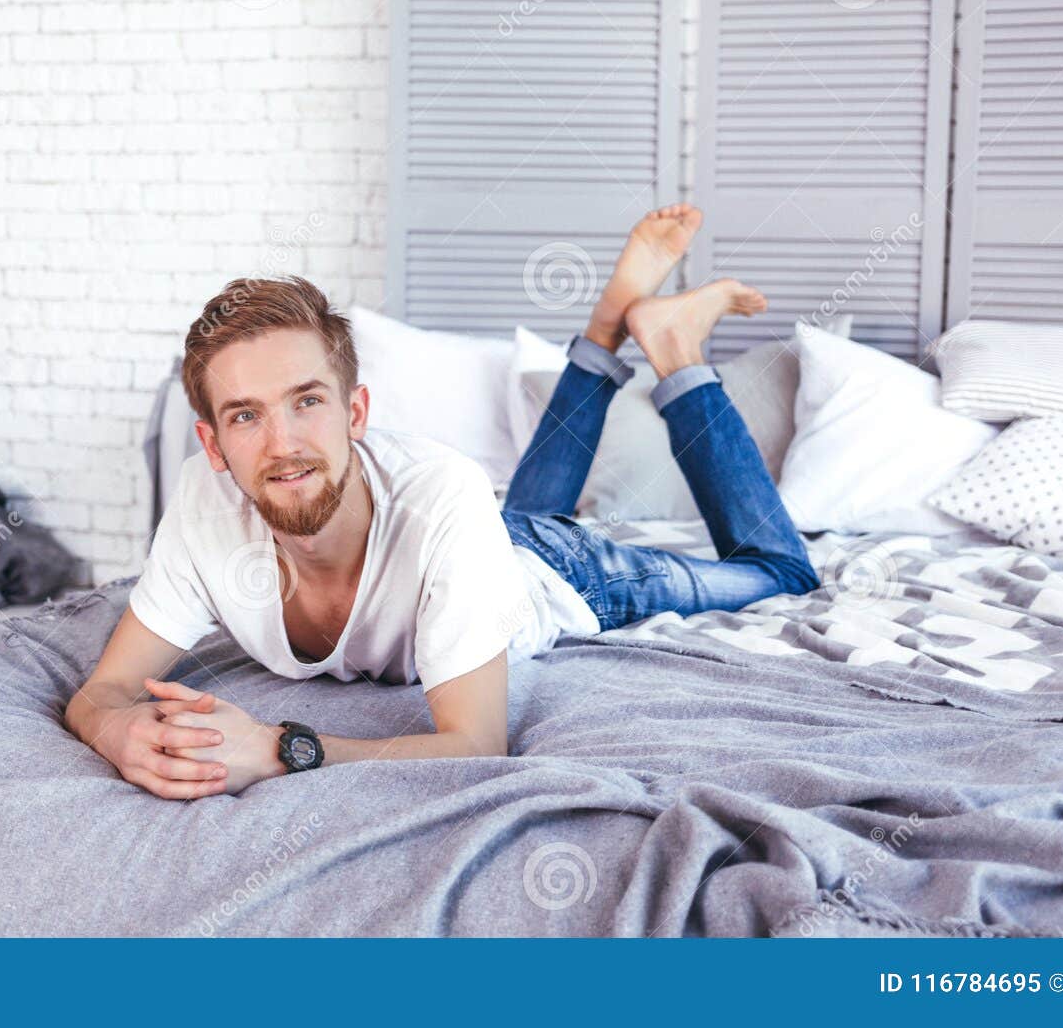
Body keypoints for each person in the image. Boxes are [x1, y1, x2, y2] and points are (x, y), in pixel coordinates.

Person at [64, 204, 817, 799]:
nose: (281, 442)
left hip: (557, 573)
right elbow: (103, 692)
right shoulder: (203, 505)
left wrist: (278, 747)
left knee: (781, 572)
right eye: (246, 415)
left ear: (356, 412)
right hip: (480, 537)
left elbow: (474, 741)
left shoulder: (442, 495)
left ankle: (677, 347)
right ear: (213, 443)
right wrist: (116, 731)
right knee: (521, 507)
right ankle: (612, 320)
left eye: (306, 401)